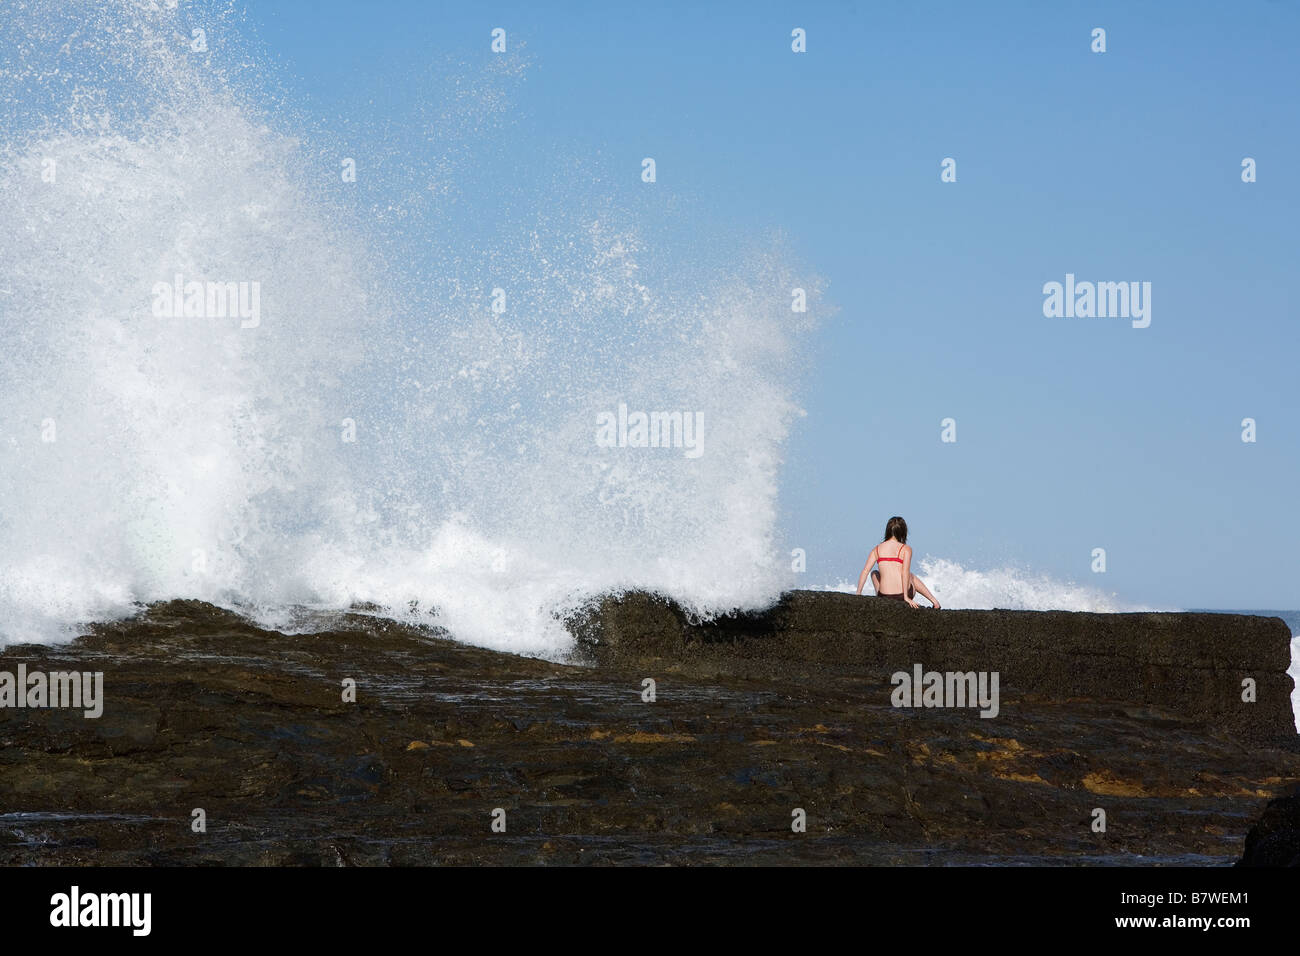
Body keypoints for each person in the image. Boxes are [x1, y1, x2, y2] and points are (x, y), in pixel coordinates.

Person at [855, 516, 940, 609]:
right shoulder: (906, 549)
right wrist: (906, 597)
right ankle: (935, 602)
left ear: (887, 531)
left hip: (883, 596)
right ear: (903, 532)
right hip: (901, 596)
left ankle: (878, 597)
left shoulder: (877, 549)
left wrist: (858, 594)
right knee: (910, 575)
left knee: (874, 573)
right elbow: (905, 573)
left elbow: (865, 571)